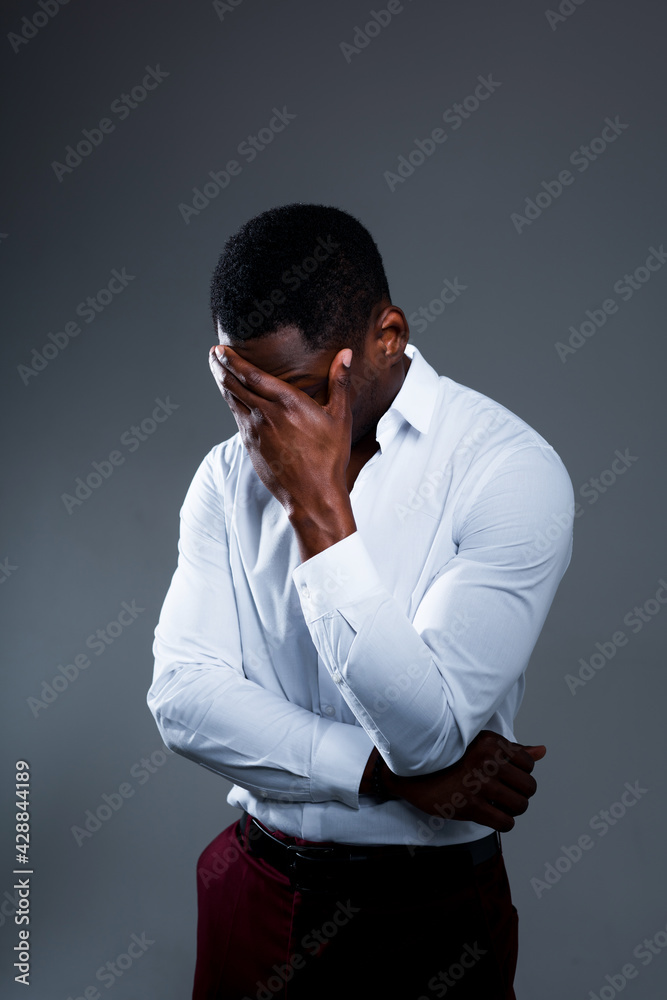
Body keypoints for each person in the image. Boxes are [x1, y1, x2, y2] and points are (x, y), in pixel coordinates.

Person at [147, 203, 574, 999]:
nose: (270, 429)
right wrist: (385, 778)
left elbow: (427, 736)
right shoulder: (223, 474)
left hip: (428, 917)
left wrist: (317, 513)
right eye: (243, 392)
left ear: (388, 337)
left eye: (300, 392)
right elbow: (182, 700)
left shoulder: (507, 470)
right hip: (255, 885)